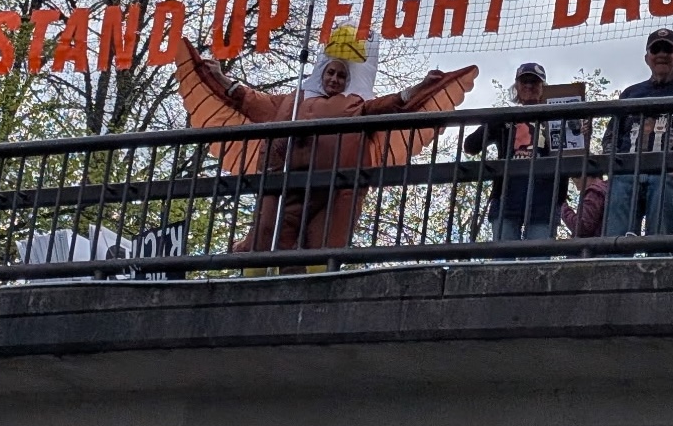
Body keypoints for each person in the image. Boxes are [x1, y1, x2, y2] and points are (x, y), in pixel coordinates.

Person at [177, 30, 478, 264]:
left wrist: (421, 87)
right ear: (322, 73)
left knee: (323, 245)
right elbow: (245, 99)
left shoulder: (357, 106)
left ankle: (312, 288)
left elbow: (395, 105)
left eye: (342, 75)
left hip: (334, 191)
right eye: (331, 72)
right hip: (283, 187)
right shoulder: (289, 102)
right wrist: (219, 77)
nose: (335, 79)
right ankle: (256, 280)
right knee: (268, 236)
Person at [602, 29, 673, 253]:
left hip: (667, 177)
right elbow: (611, 138)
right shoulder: (630, 94)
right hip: (626, 176)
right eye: (656, 49)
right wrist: (615, 169)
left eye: (668, 49)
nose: (661, 54)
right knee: (614, 245)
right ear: (647, 58)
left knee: (661, 246)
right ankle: (615, 281)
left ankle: (659, 281)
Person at [463, 62, 561, 242]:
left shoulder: (556, 118)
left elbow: (575, 152)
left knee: (539, 259)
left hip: (546, 195)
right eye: (524, 82)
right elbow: (470, 146)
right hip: (507, 193)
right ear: (516, 86)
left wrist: (581, 131)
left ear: (543, 88)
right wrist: (492, 123)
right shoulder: (504, 119)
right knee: (503, 258)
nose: (529, 86)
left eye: (535, 82)